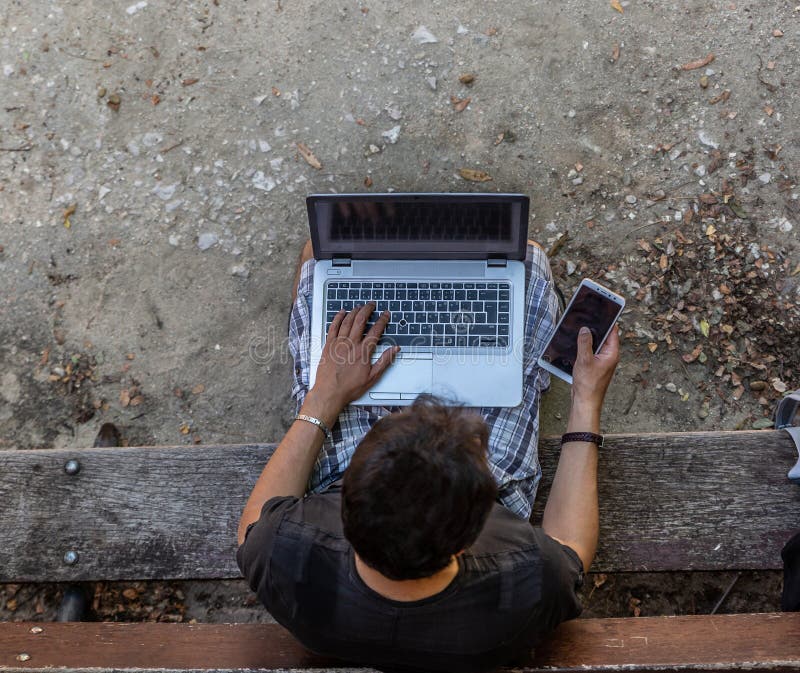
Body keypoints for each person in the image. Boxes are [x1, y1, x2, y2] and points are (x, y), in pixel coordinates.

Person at [237, 239, 620, 672]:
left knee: (315, 257)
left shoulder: (286, 551)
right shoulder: (525, 578)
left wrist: (323, 398)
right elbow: (571, 546)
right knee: (527, 261)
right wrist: (586, 399)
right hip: (471, 504)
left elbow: (251, 528)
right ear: (467, 541)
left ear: (341, 509)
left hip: (380, 486)